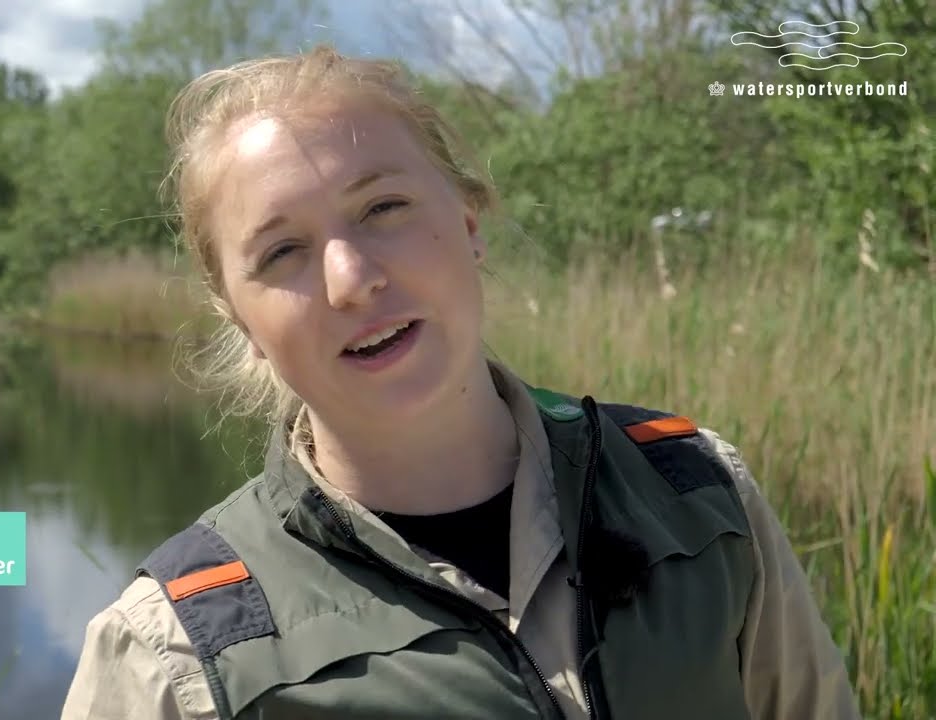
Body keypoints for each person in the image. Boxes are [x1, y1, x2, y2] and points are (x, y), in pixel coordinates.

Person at [60, 44, 859, 720]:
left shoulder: (695, 488)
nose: (351, 279)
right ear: (240, 320)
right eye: (281, 253)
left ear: (469, 224)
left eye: (383, 207)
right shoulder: (181, 646)